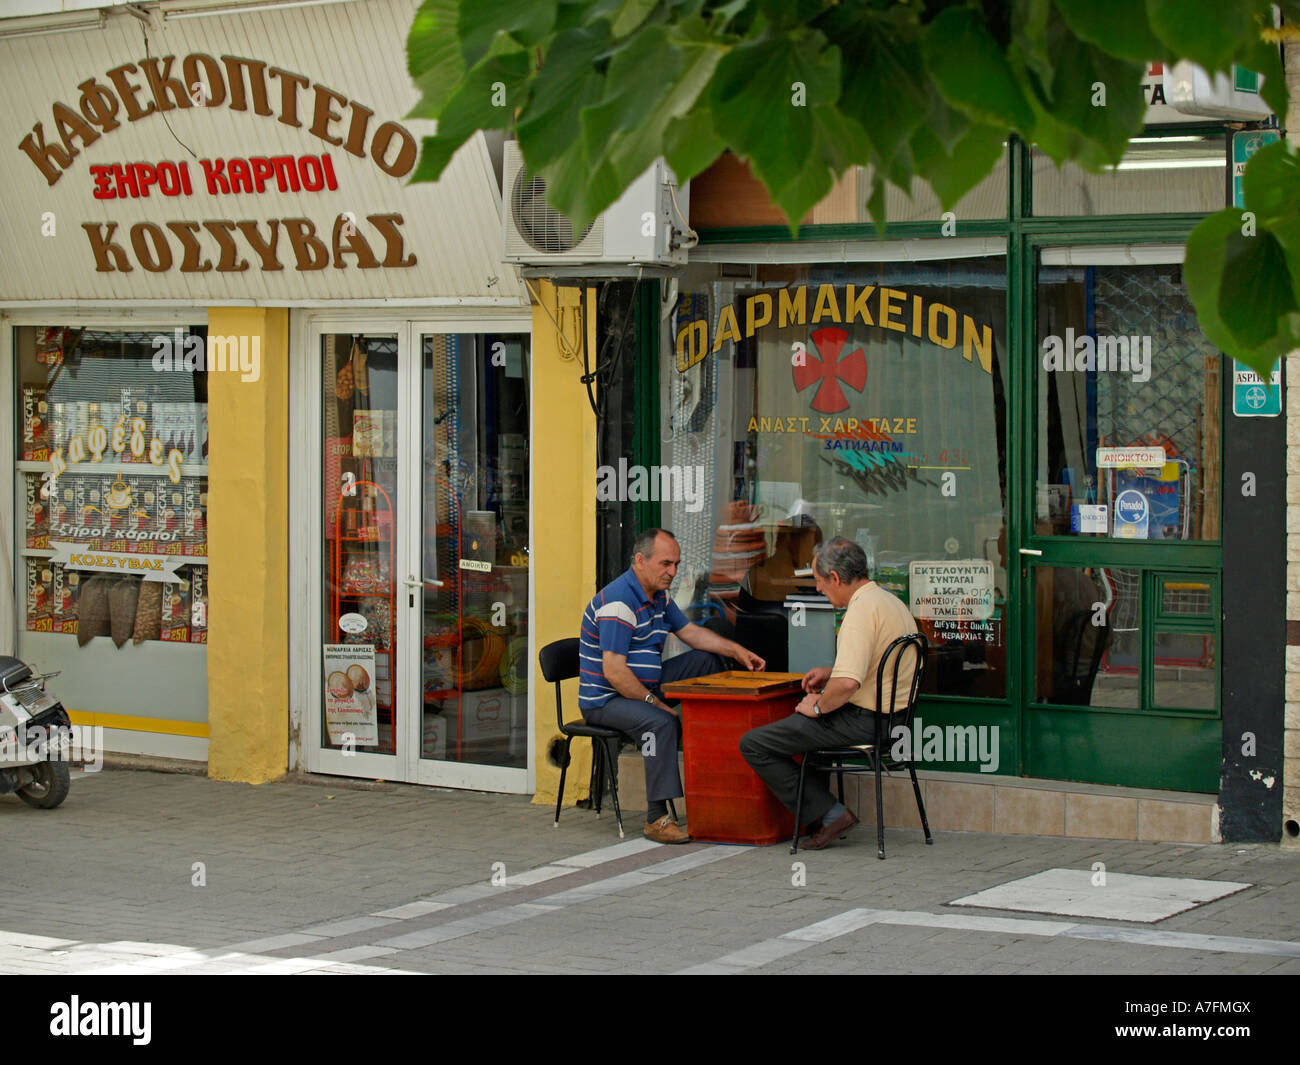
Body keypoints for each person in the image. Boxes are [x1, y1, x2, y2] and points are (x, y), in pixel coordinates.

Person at [580, 528, 766, 844]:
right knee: (661, 723)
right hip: (606, 700)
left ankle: (711, 746)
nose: (673, 572)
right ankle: (657, 818)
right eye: (666, 564)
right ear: (640, 561)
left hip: (645, 685)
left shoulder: (658, 597)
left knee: (707, 661)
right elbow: (615, 673)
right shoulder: (618, 602)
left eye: (677, 564)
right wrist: (656, 703)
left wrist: (737, 650)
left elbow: (690, 632)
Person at [739, 536, 919, 850]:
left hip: (867, 721)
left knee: (755, 743)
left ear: (835, 578)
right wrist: (830, 673)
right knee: (798, 733)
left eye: (821, 582)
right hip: (897, 721)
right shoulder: (889, 602)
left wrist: (818, 707)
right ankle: (822, 813)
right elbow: (871, 666)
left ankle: (831, 814)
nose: (819, 589)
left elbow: (849, 684)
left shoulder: (859, 612)